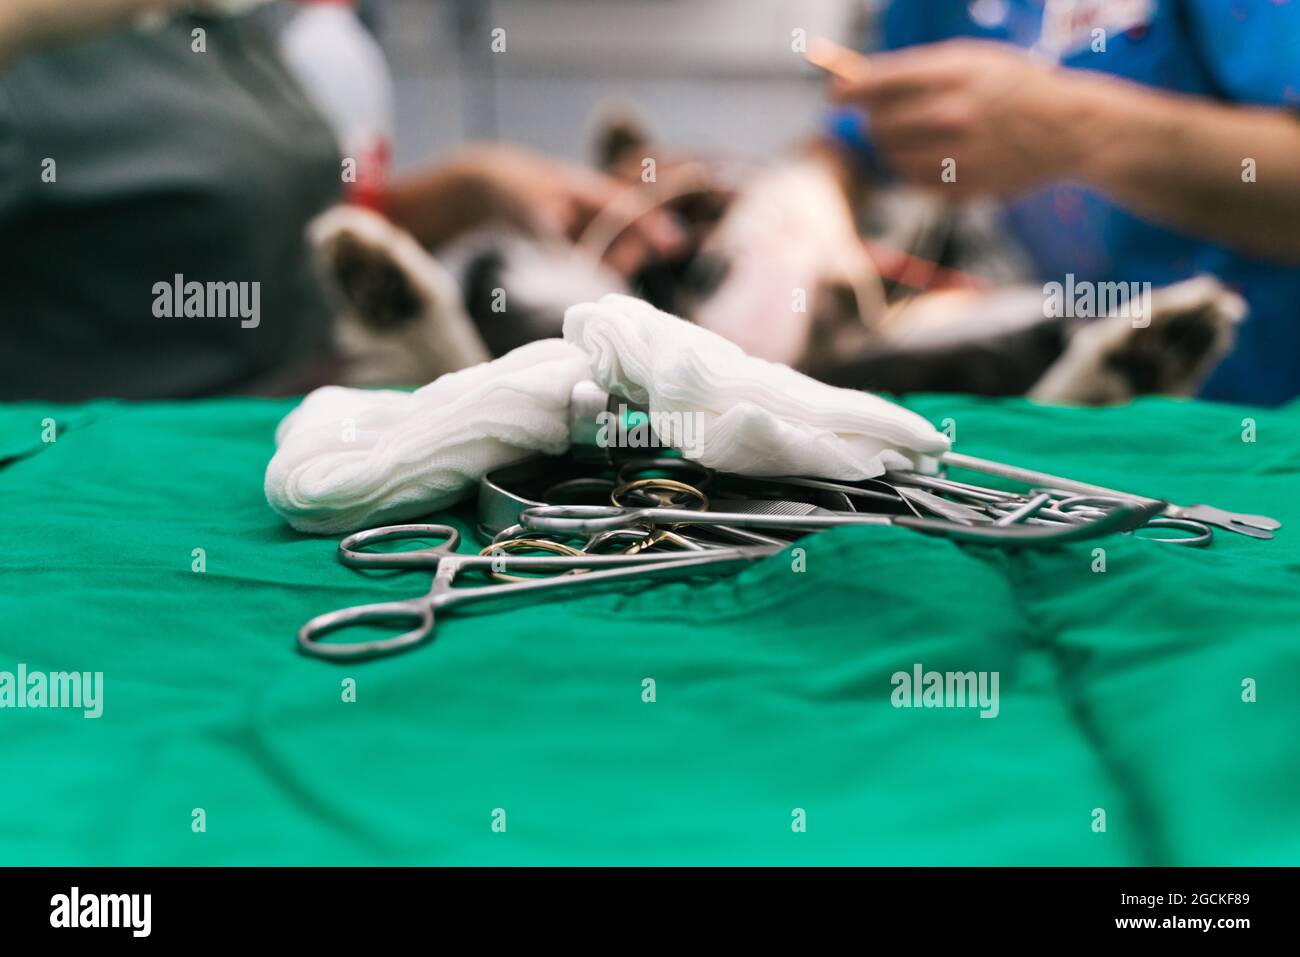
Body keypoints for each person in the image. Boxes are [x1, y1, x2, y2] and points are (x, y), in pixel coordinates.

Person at [0, 0, 681, 401]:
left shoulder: (208, 29)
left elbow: (301, 234)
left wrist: (469, 191)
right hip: (124, 484)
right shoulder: (41, 59)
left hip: (299, 433)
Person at [823, 0, 1300, 406]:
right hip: (1092, 409)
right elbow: (858, 137)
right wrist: (802, 205)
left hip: (1266, 413)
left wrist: (1071, 126)